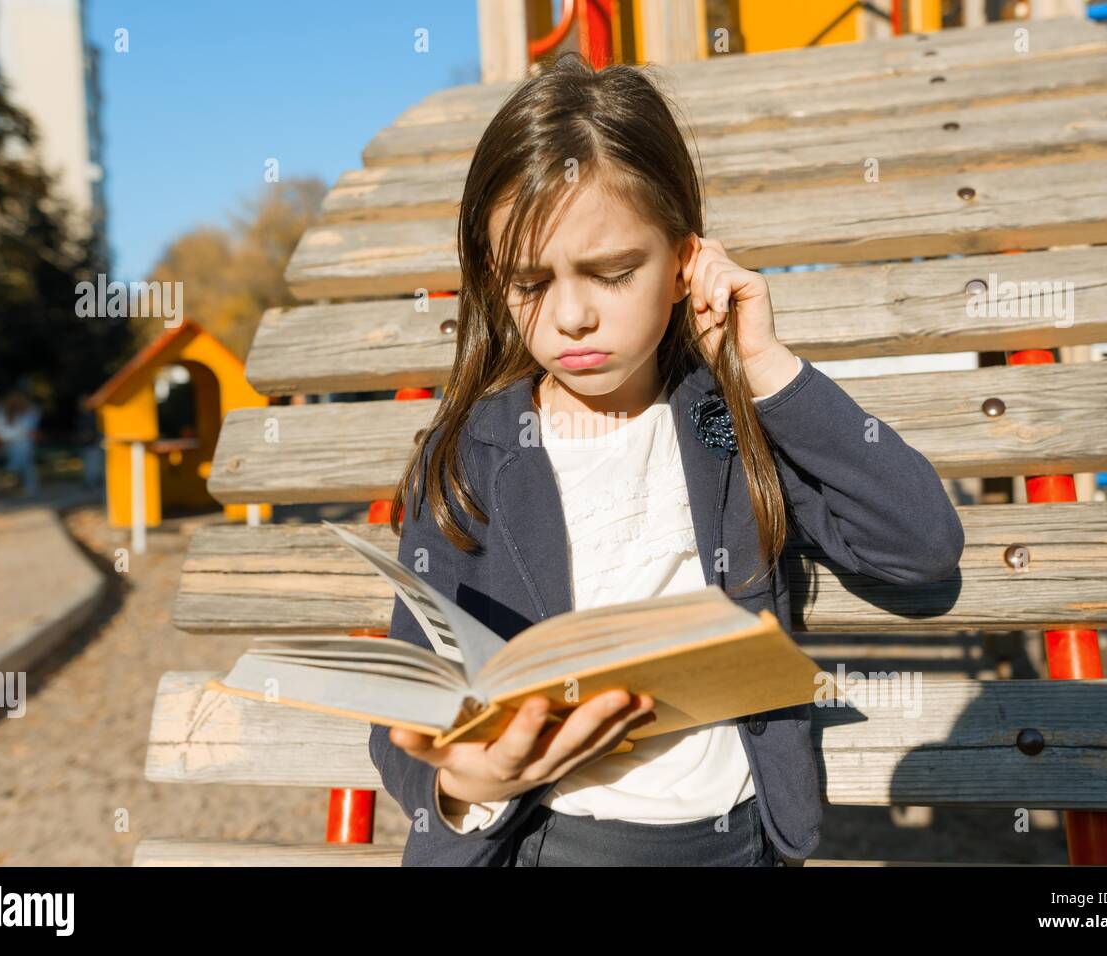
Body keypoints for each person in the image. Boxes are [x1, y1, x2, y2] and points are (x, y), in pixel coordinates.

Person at [369, 52, 965, 867]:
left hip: (735, 840)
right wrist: (462, 785)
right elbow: (404, 707)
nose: (572, 315)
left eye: (612, 273)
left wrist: (767, 371)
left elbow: (918, 545)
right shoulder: (472, 454)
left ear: (686, 262)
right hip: (546, 843)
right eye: (530, 283)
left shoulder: (728, 422)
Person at [0, 391, 40, 497]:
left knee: (22, 448)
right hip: (4, 447)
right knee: (23, 451)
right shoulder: (0, 413)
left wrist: (14, 434)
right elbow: (1, 433)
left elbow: (26, 428)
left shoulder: (27, 412)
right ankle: (16, 474)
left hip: (20, 445)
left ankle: (11, 470)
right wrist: (16, 434)